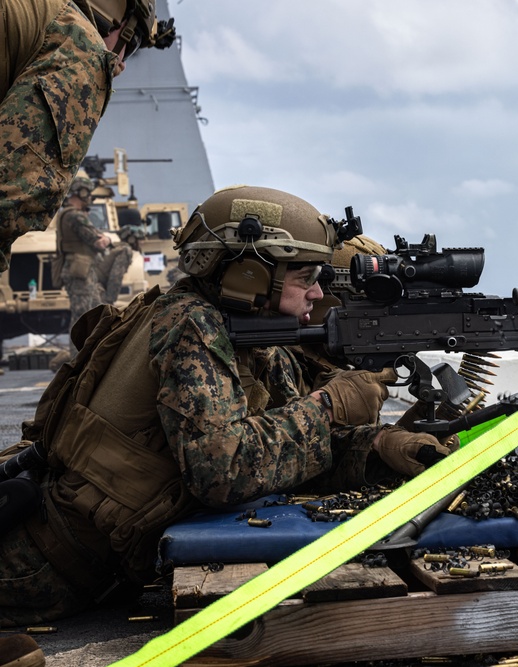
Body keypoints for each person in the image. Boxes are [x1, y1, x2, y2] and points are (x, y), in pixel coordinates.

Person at [0, 186, 451, 637]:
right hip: (38, 568)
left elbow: (281, 453)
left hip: (94, 569)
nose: (317, 292)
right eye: (305, 276)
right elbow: (223, 469)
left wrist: (377, 448)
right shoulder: (190, 325)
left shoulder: (252, 337)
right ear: (252, 275)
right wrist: (330, 406)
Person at [0, 0, 171, 275]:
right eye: (133, 46)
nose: (123, 65)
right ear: (118, 22)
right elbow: (13, 197)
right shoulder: (81, 45)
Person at [53, 174, 133, 350]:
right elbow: (98, 241)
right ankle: (76, 362)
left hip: (84, 270)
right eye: (88, 193)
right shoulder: (75, 216)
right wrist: (107, 239)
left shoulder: (68, 214)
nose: (89, 198)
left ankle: (88, 356)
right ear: (80, 192)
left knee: (93, 313)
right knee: (80, 318)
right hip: (79, 272)